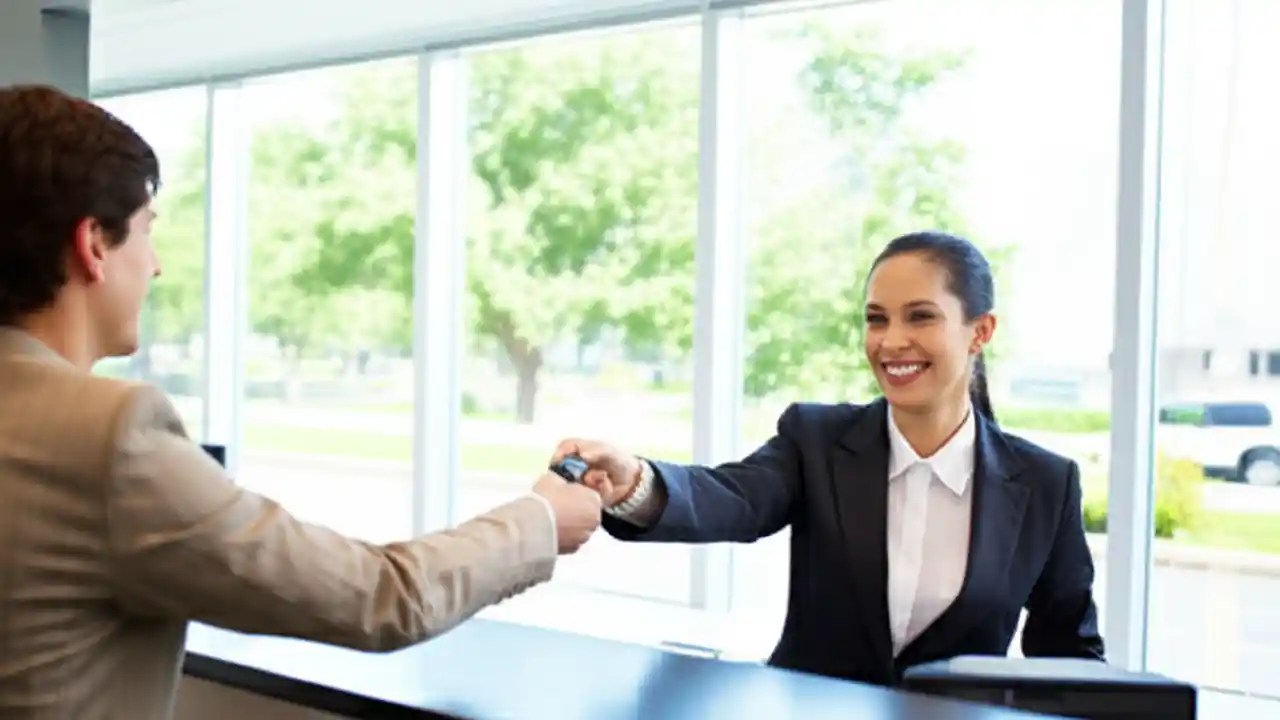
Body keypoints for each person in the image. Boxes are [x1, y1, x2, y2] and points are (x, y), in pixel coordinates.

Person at [0, 84, 603, 719]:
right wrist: (541, 520)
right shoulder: (108, 438)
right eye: (147, 232)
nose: (155, 267)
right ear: (94, 244)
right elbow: (380, 597)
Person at [554, 230, 1105, 686]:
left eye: (920, 317)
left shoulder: (1045, 485)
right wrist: (635, 483)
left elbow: (1069, 659)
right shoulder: (816, 440)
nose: (891, 342)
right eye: (876, 319)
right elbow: (732, 498)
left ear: (980, 331)